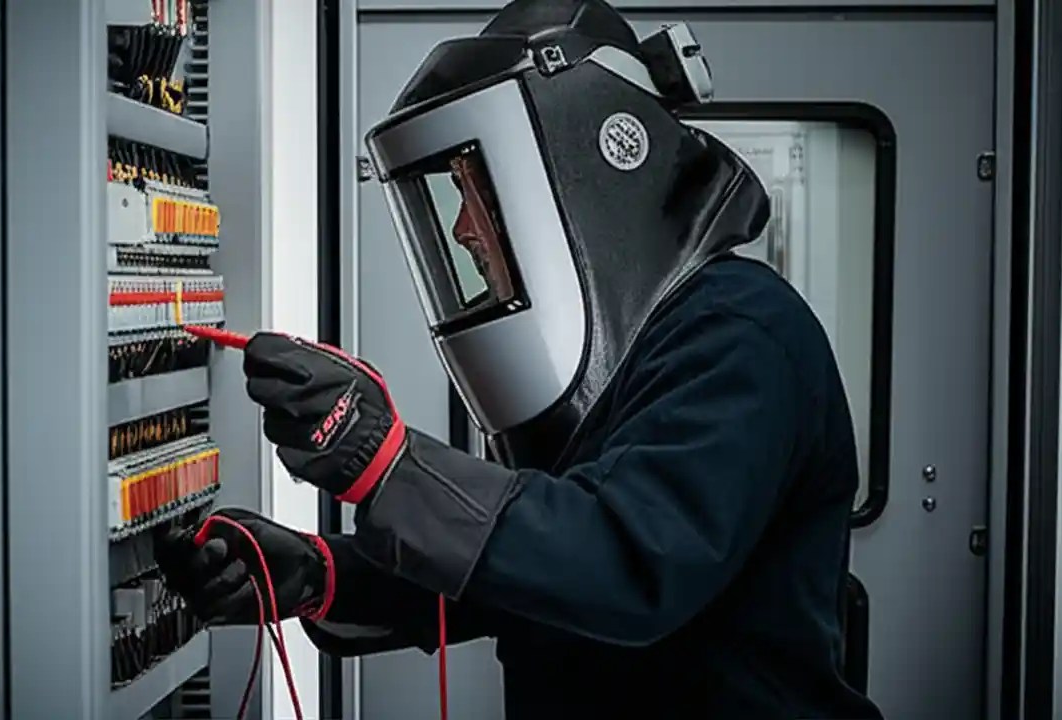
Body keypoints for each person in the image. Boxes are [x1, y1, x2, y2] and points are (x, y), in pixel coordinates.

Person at [155, 1, 883, 718]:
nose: (466, 230)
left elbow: (622, 566)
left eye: (478, 193)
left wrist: (386, 466)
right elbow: (530, 566)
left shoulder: (740, 333)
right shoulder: (629, 356)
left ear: (586, 172)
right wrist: (322, 575)